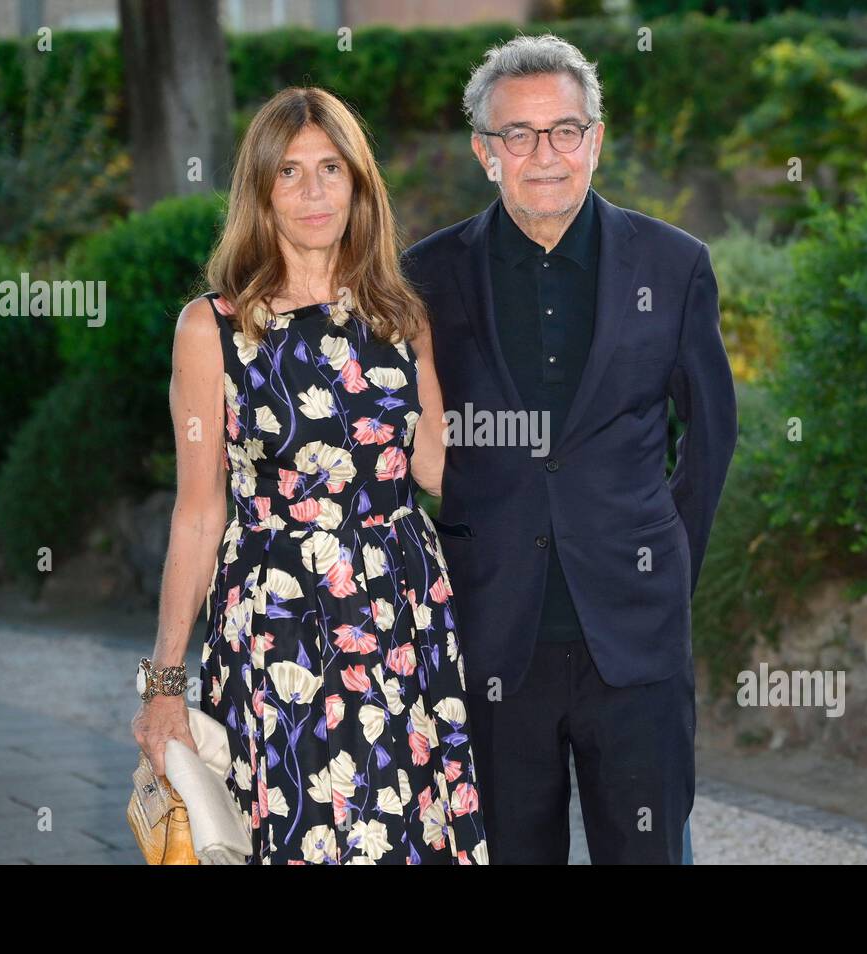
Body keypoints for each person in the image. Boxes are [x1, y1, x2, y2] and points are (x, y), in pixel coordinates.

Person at [131, 86, 488, 865]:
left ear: (360, 182)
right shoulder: (213, 329)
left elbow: (437, 469)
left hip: (403, 616)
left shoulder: (400, 315)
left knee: (405, 831)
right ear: (259, 190)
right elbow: (197, 514)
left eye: (331, 168)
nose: (314, 191)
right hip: (278, 628)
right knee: (294, 833)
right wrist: (163, 683)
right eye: (289, 173)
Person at [401, 34, 736, 864]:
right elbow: (402, 440)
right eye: (518, 134)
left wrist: (666, 566)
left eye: (563, 130)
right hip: (491, 638)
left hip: (635, 635)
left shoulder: (675, 263)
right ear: (485, 151)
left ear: (595, 138)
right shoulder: (425, 278)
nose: (542, 154)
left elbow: (710, 437)